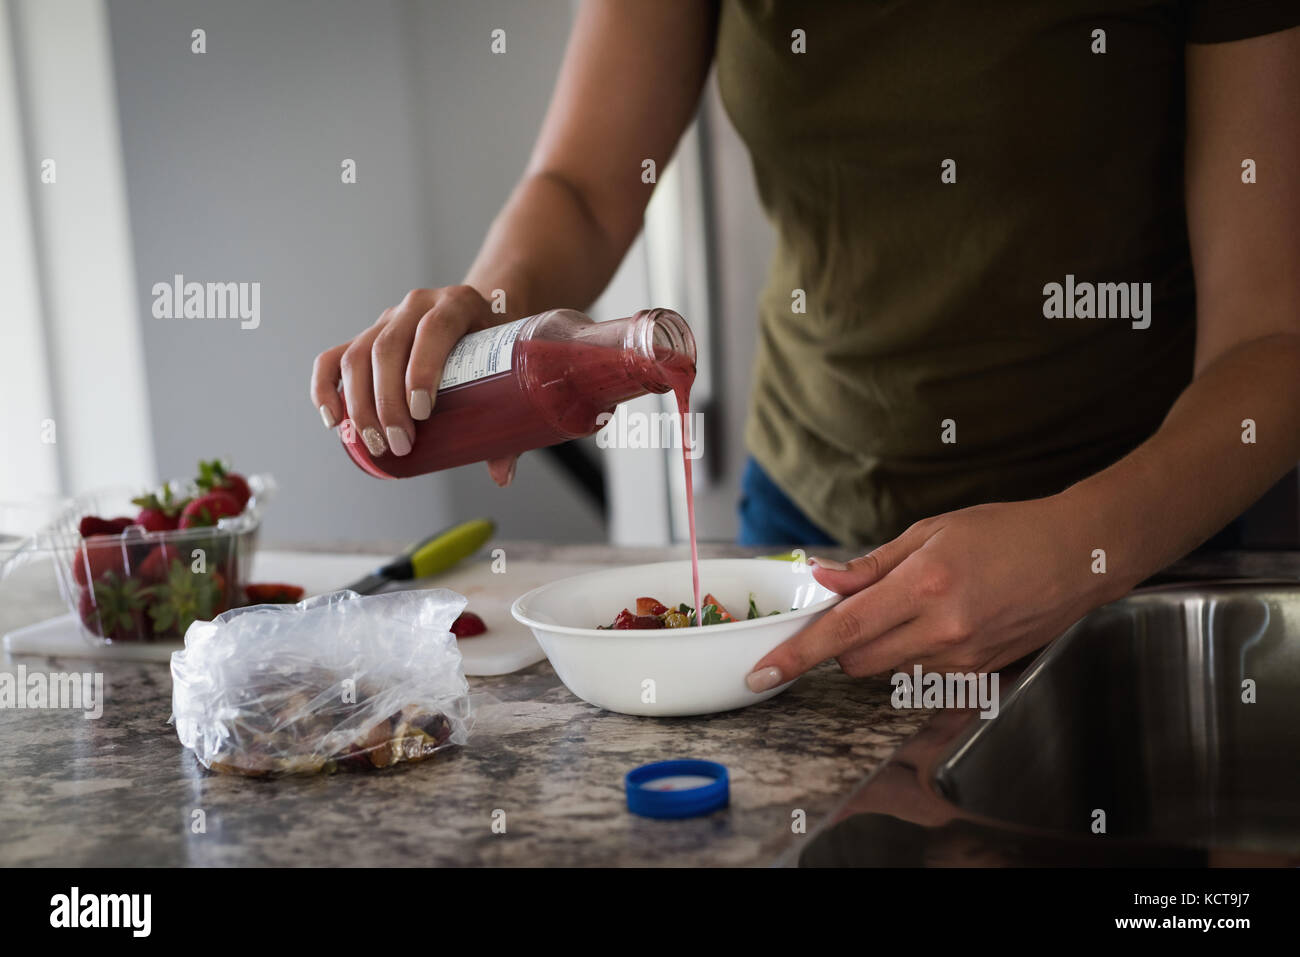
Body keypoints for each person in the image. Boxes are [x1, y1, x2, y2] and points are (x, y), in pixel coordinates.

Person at [311, 2, 1300, 693]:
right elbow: (584, 182)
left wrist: (1082, 549)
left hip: (1130, 535)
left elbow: (1273, 337)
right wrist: (492, 310)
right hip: (807, 534)